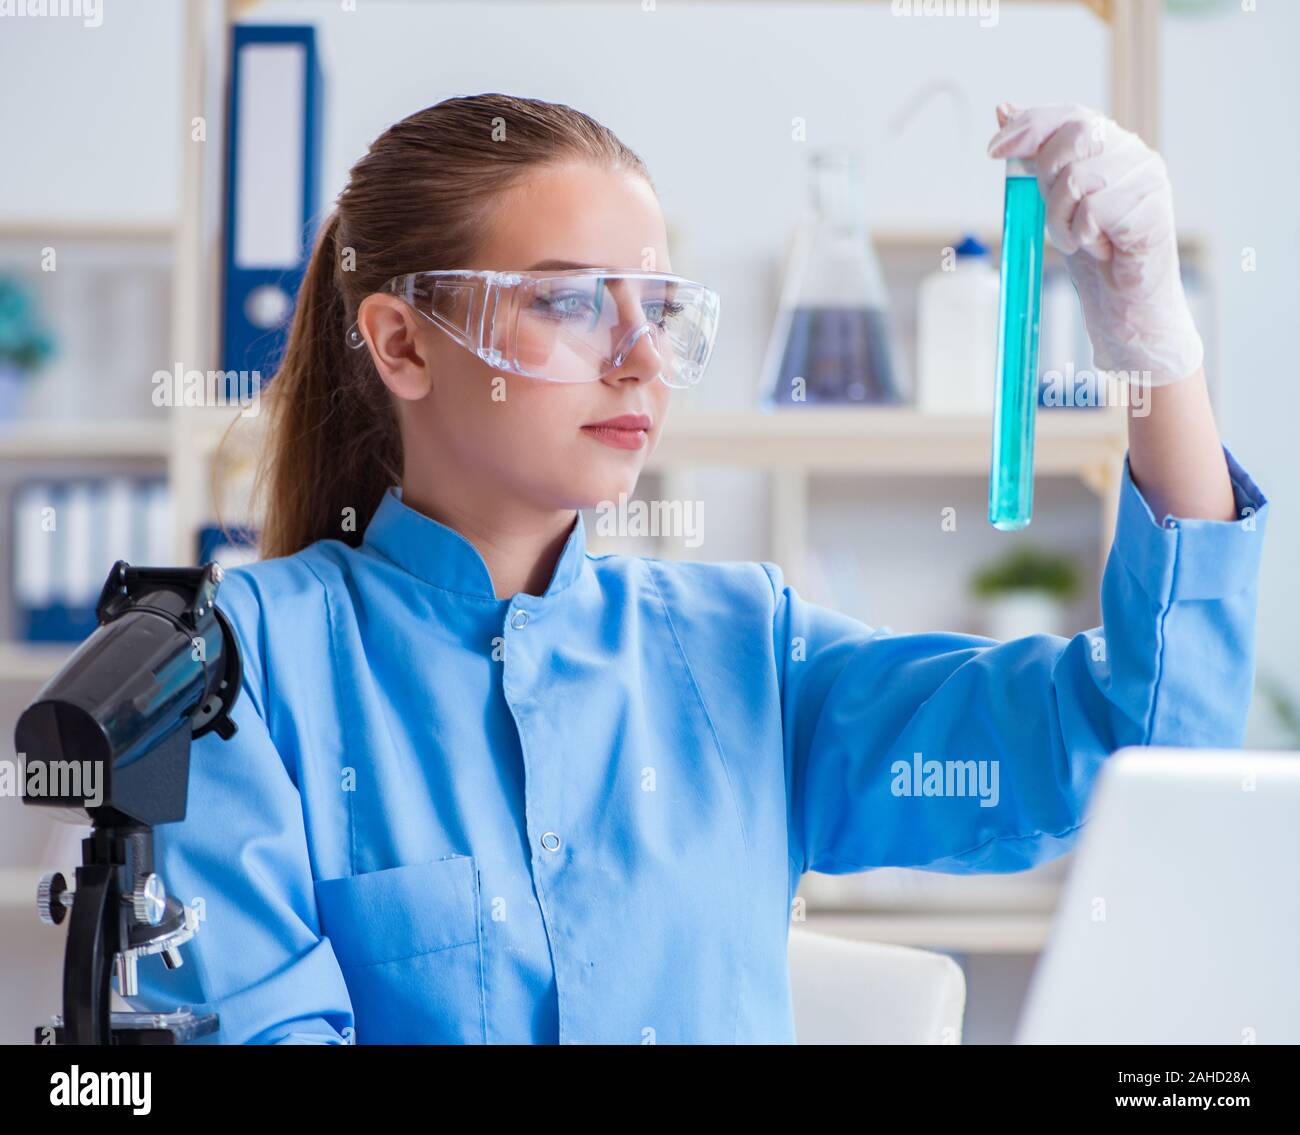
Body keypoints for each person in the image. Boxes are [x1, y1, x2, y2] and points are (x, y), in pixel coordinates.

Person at [131, 93, 1268, 1044]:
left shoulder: (744, 649)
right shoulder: (238, 669)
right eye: (571, 301)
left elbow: (1144, 736)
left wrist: (1152, 348)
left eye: (659, 309)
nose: (640, 361)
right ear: (402, 342)